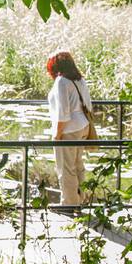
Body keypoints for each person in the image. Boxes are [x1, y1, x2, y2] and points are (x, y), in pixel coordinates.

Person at [46, 50, 93, 208]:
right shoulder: (79, 79)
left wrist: (57, 135)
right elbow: (88, 105)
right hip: (83, 126)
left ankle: (68, 205)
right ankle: (82, 199)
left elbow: (63, 112)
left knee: (66, 168)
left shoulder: (61, 81)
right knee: (78, 164)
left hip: (69, 129)